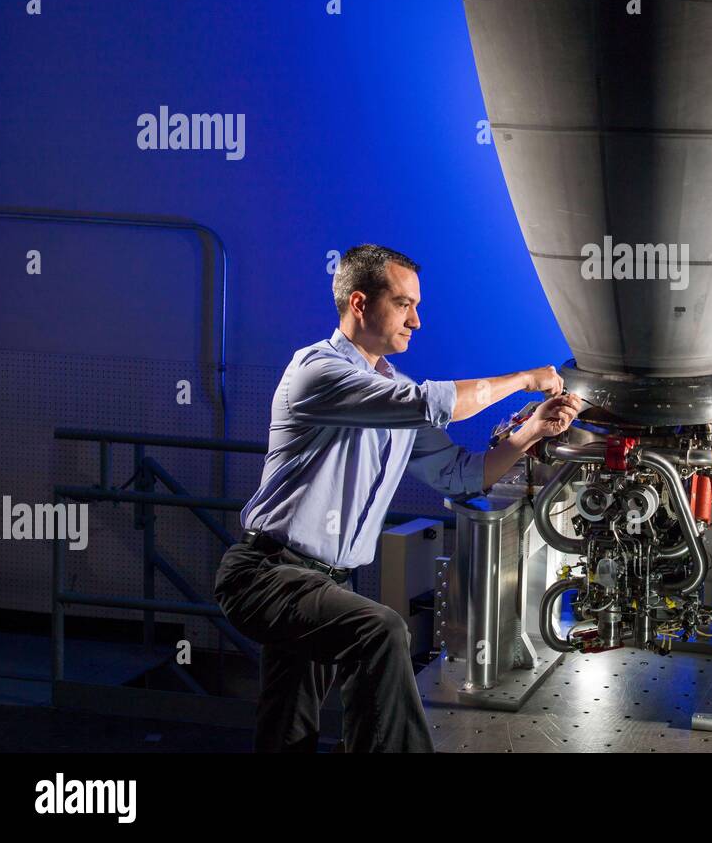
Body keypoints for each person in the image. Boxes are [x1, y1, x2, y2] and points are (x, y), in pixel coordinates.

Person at [213, 243, 583, 752]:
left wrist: (532, 433)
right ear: (360, 303)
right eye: (404, 304)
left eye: (416, 305)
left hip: (325, 582)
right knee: (381, 632)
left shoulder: (393, 392)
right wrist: (523, 380)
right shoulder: (318, 372)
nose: (417, 320)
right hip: (267, 575)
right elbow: (439, 404)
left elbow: (460, 474)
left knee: (287, 730)